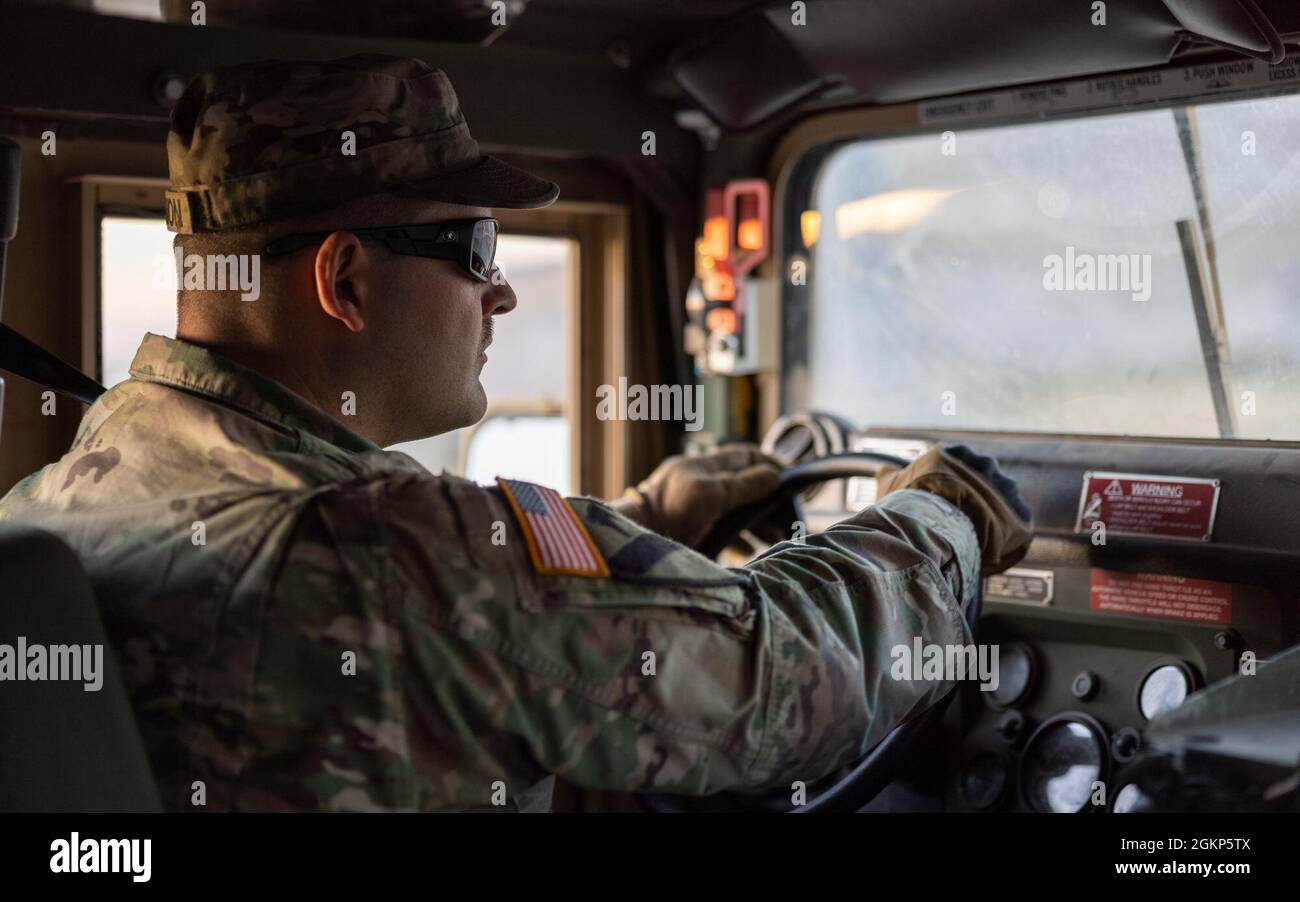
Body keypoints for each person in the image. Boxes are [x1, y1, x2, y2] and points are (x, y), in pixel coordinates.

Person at [0, 54, 1032, 811]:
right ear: (345, 279)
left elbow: (475, 638)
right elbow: (791, 681)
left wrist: (640, 524)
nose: (498, 293)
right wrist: (944, 516)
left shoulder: (61, 501)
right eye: (474, 247)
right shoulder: (386, 549)